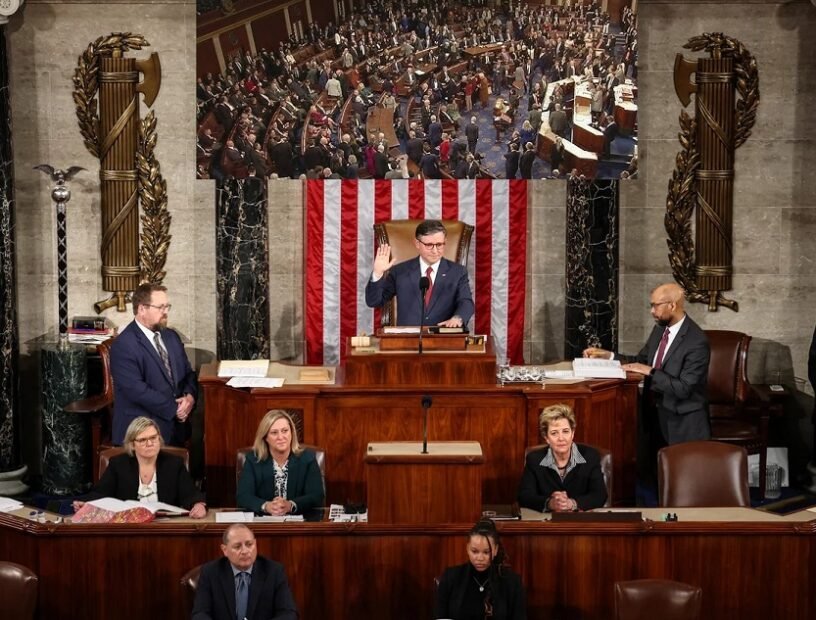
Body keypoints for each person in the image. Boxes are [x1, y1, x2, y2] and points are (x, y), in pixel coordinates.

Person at [583, 282, 711, 445]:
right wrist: (609, 356)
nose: (652, 311)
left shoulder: (696, 341)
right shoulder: (660, 329)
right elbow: (642, 361)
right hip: (652, 415)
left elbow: (684, 388)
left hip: (682, 424)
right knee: (649, 469)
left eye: (655, 306)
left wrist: (650, 372)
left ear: (672, 305)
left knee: (675, 470)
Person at [110, 283, 197, 446]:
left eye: (167, 306)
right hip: (141, 431)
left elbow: (188, 374)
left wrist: (189, 398)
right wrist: (175, 409)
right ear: (142, 309)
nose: (166, 312)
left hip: (176, 429)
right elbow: (136, 391)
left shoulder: (171, 337)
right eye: (161, 307)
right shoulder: (124, 344)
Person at [72, 416, 206, 516]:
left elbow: (191, 494)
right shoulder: (119, 464)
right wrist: (86, 504)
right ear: (132, 445)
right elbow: (100, 493)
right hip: (128, 528)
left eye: (154, 438)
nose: (150, 443)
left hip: (164, 527)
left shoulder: (174, 463)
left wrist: (199, 505)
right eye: (143, 440)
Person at [365, 219, 474, 328]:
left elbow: (466, 302)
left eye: (439, 244)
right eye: (429, 245)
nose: (435, 251)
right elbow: (374, 301)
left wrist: (458, 318)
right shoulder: (400, 271)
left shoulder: (457, 272)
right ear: (417, 243)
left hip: (443, 338)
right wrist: (377, 274)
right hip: (407, 341)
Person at [192, 523, 298, 620]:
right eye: (237, 546)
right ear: (225, 550)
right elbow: (200, 614)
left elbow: (288, 613)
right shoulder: (210, 572)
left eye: (249, 544)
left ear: (255, 544)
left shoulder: (274, 571)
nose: (245, 551)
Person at [517, 404, 607, 512]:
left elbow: (600, 495)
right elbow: (524, 496)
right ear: (546, 438)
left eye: (565, 431)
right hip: (547, 523)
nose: (561, 438)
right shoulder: (534, 459)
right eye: (554, 433)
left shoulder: (590, 456)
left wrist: (571, 503)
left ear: (572, 433)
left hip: (581, 521)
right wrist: (550, 503)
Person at [434, 519, 526, 620]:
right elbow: (440, 616)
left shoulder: (512, 582)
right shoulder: (450, 577)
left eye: (486, 552)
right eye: (474, 551)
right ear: (467, 548)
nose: (480, 558)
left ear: (495, 550)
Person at [237, 410, 324, 515]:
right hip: (263, 524)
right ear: (265, 437)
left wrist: (290, 505)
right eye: (274, 432)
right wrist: (266, 506)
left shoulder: (307, 458)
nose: (281, 437)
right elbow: (243, 496)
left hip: (300, 524)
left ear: (291, 433)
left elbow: (316, 495)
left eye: (285, 431)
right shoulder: (253, 460)